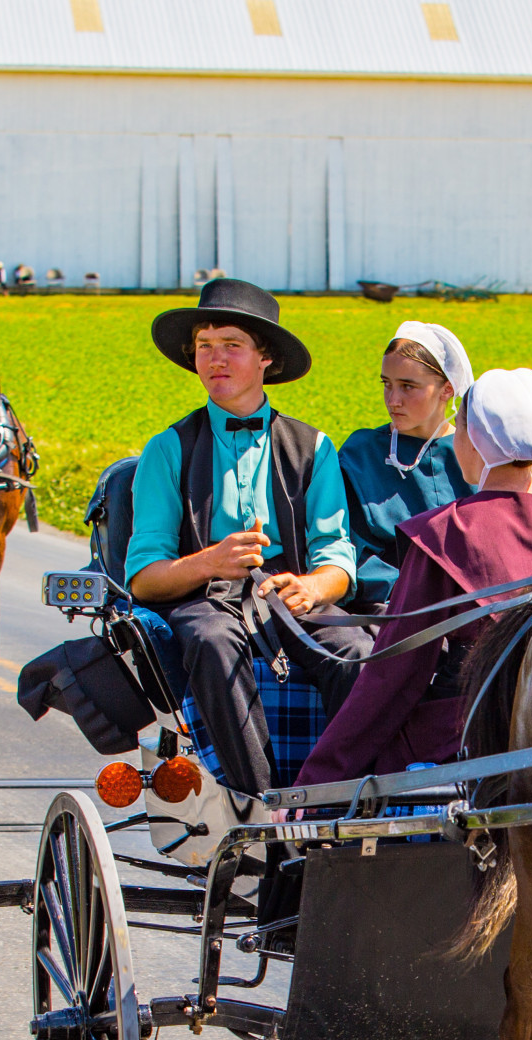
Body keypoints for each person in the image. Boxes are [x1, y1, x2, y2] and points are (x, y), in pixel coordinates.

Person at [295, 368, 532, 788]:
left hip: (471, 734)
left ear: (474, 440)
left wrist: (318, 781)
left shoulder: (446, 533)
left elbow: (394, 675)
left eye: (458, 427)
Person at [123, 278, 367, 797]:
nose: (215, 359)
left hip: (290, 600)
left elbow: (337, 556)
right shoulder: (166, 451)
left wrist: (315, 587)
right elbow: (144, 579)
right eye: (204, 347)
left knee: (355, 650)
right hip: (205, 601)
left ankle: (338, 798)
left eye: (231, 345)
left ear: (266, 360)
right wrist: (209, 561)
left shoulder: (313, 448)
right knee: (214, 642)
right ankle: (258, 805)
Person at [336, 322, 477, 613]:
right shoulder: (362, 453)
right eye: (386, 384)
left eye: (408, 387)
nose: (393, 400)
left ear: (446, 389)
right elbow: (350, 549)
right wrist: (413, 599)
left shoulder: (475, 453)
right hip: (387, 613)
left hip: (470, 612)